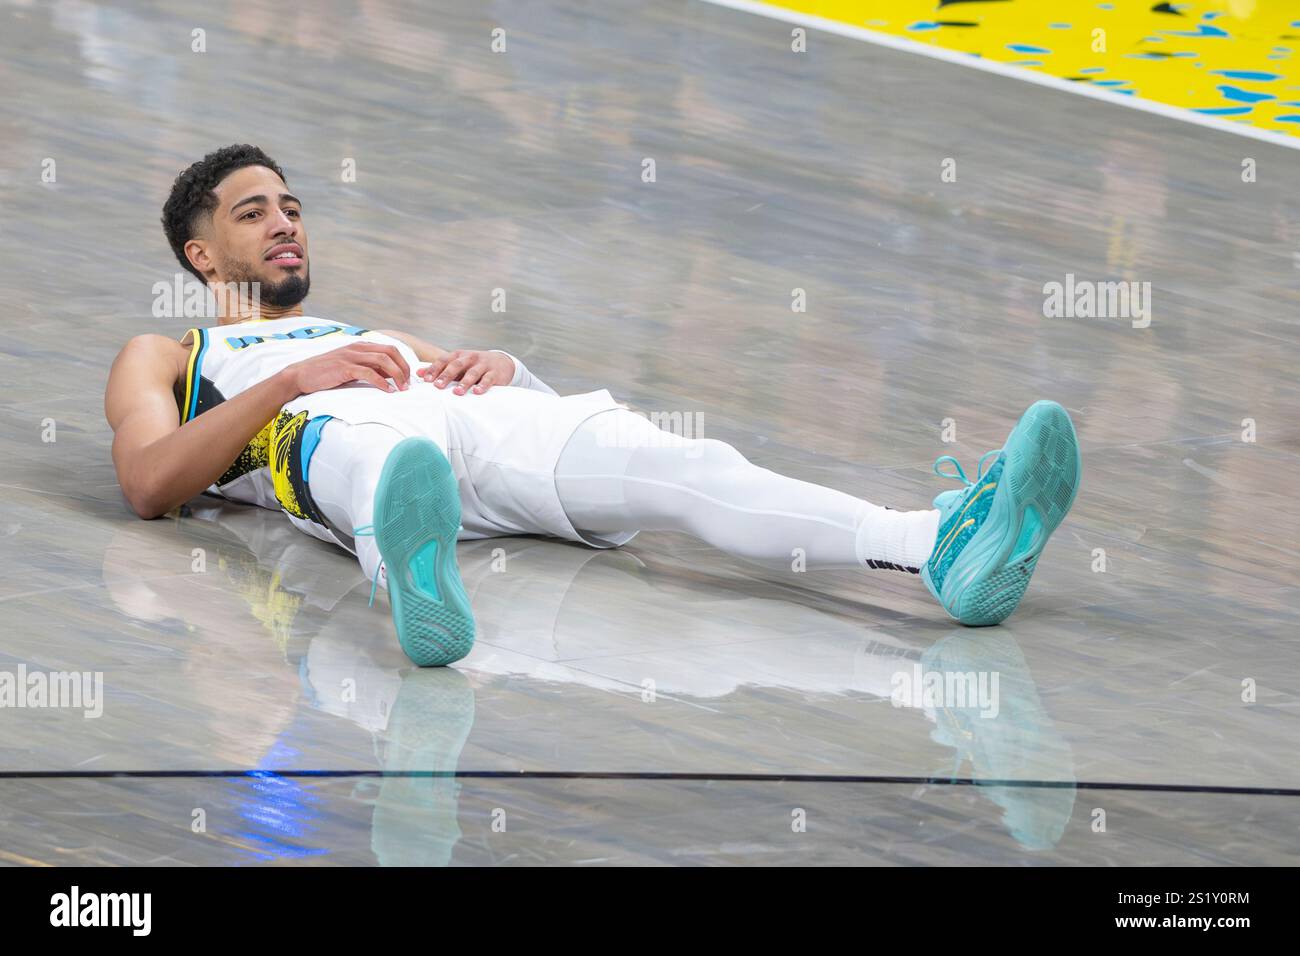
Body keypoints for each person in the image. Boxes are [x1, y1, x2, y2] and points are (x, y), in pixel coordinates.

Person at [104, 144, 1082, 667]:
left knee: (688, 465)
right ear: (200, 255)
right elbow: (149, 481)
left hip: (469, 419)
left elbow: (476, 384)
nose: (284, 222)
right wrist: (287, 385)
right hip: (332, 429)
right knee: (378, 449)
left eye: (291, 205)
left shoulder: (363, 324)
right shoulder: (169, 353)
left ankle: (937, 546)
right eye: (252, 212)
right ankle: (408, 572)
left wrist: (500, 367)